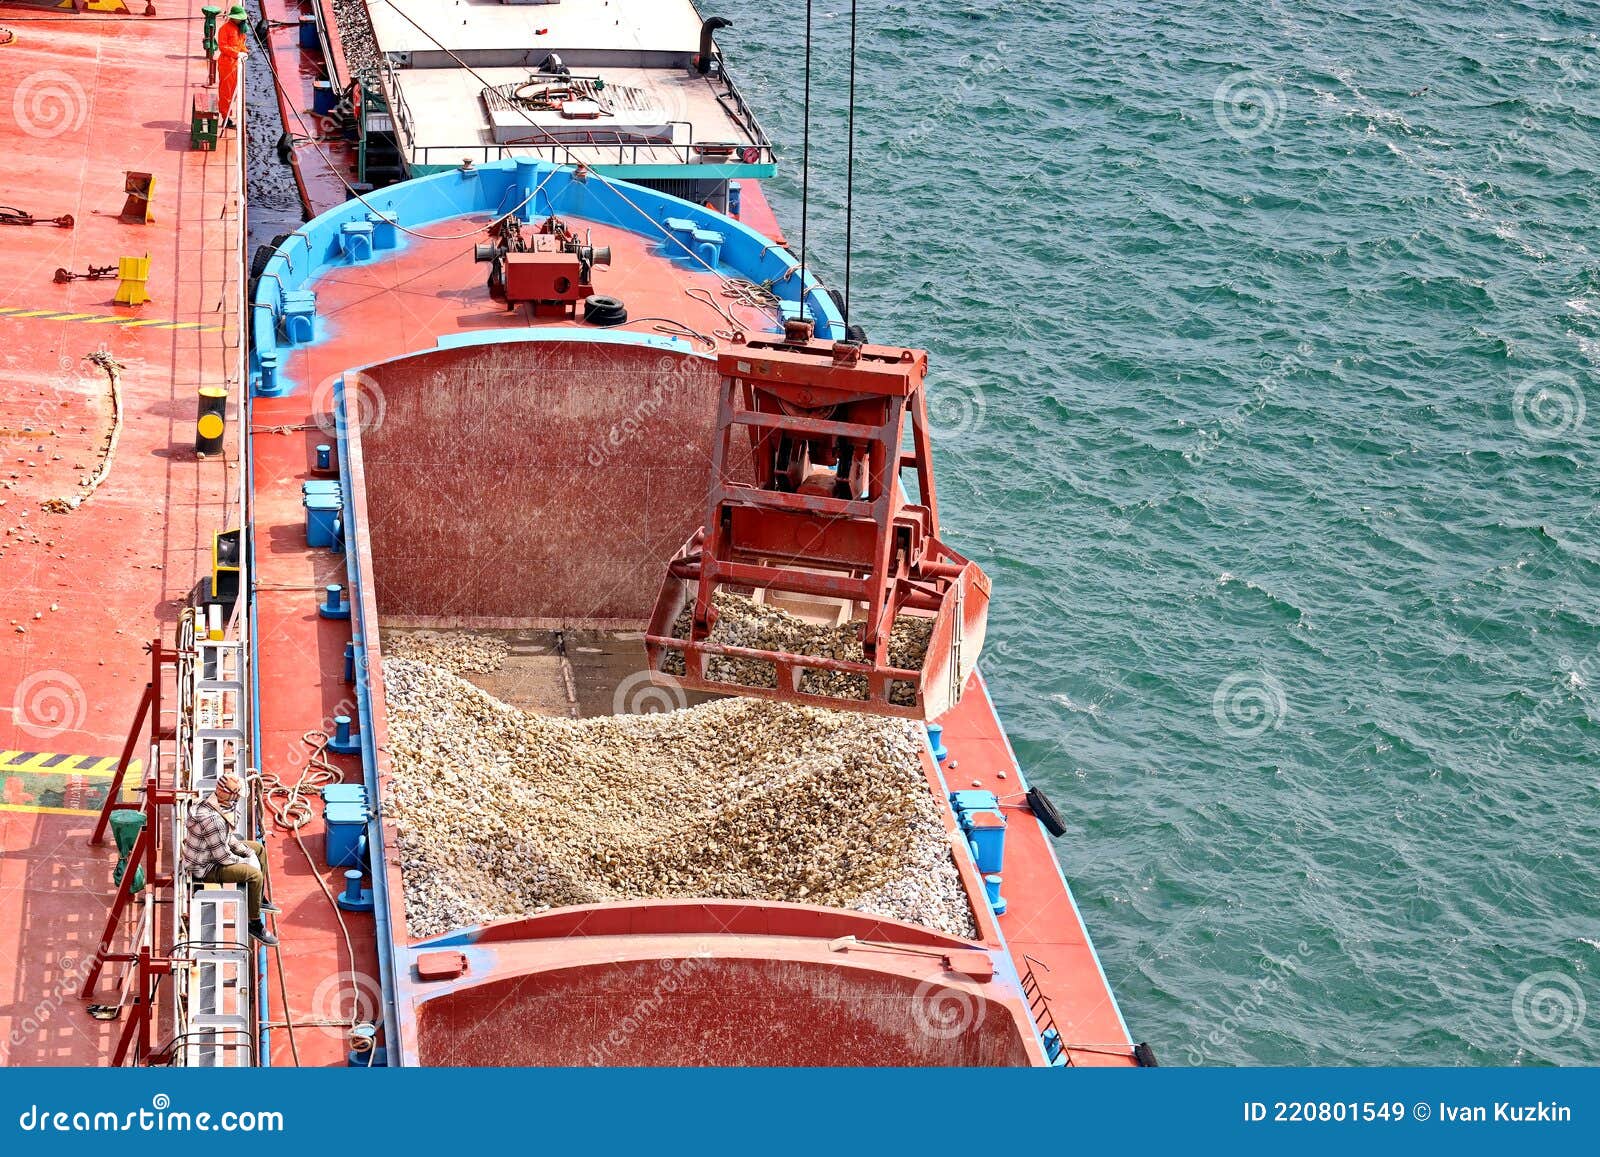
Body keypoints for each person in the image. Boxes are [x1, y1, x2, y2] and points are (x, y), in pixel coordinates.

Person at [183, 771, 279, 944]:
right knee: (254, 875)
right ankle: (254, 923)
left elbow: (227, 838)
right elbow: (223, 858)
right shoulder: (214, 821)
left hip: (211, 854)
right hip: (205, 868)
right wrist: (245, 861)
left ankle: (258, 899)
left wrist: (248, 852)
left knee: (258, 849)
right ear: (230, 796)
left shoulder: (212, 803)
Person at [216, 6, 250, 127]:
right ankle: (225, 117)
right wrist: (237, 54)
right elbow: (223, 47)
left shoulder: (240, 29)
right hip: (227, 65)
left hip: (237, 65)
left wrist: (245, 52)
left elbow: (241, 45)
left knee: (234, 91)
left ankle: (228, 115)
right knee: (226, 92)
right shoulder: (224, 29)